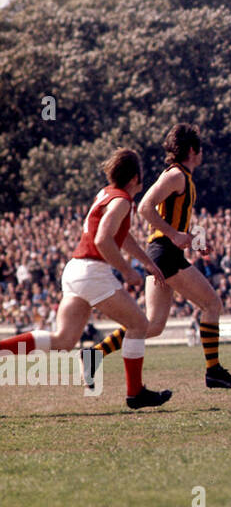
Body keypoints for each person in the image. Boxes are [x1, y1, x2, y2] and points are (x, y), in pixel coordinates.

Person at [0, 149, 171, 408]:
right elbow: (103, 239)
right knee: (138, 324)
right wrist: (126, 270)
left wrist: (146, 262)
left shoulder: (106, 194)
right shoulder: (123, 200)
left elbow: (120, 236)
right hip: (92, 272)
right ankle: (135, 393)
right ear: (136, 177)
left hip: (75, 269)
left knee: (63, 341)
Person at [90, 123, 231, 389]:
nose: (202, 153)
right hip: (165, 253)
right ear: (192, 150)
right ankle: (214, 371)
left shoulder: (181, 176)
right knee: (212, 305)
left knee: (152, 325)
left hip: (159, 254)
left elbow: (175, 217)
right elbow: (144, 207)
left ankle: (95, 353)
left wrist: (194, 239)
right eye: (200, 148)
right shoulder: (176, 176)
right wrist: (174, 235)